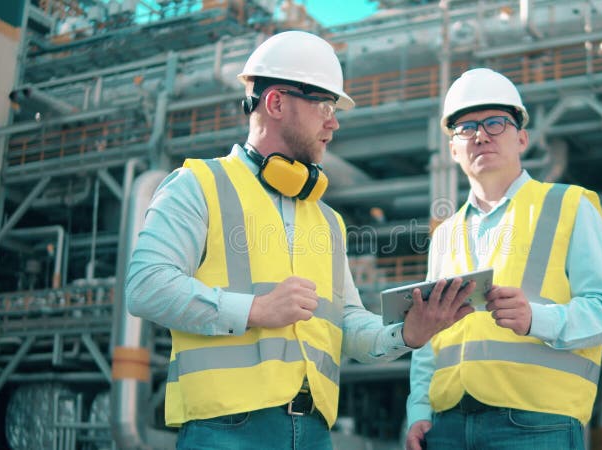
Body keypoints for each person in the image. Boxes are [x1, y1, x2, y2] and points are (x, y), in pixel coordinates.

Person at [125, 31, 475, 450]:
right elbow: (145, 286)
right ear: (275, 103)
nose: (335, 122)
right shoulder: (198, 185)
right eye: (326, 106)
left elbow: (347, 325)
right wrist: (255, 309)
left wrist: (407, 333)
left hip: (313, 432)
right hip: (226, 430)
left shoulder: (327, 220)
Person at [405, 68, 602, 450]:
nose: (481, 134)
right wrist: (419, 411)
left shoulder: (569, 205)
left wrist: (535, 319)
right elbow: (430, 340)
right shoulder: (444, 234)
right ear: (453, 149)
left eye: (496, 122)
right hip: (447, 429)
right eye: (466, 127)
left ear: (522, 137)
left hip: (537, 425)